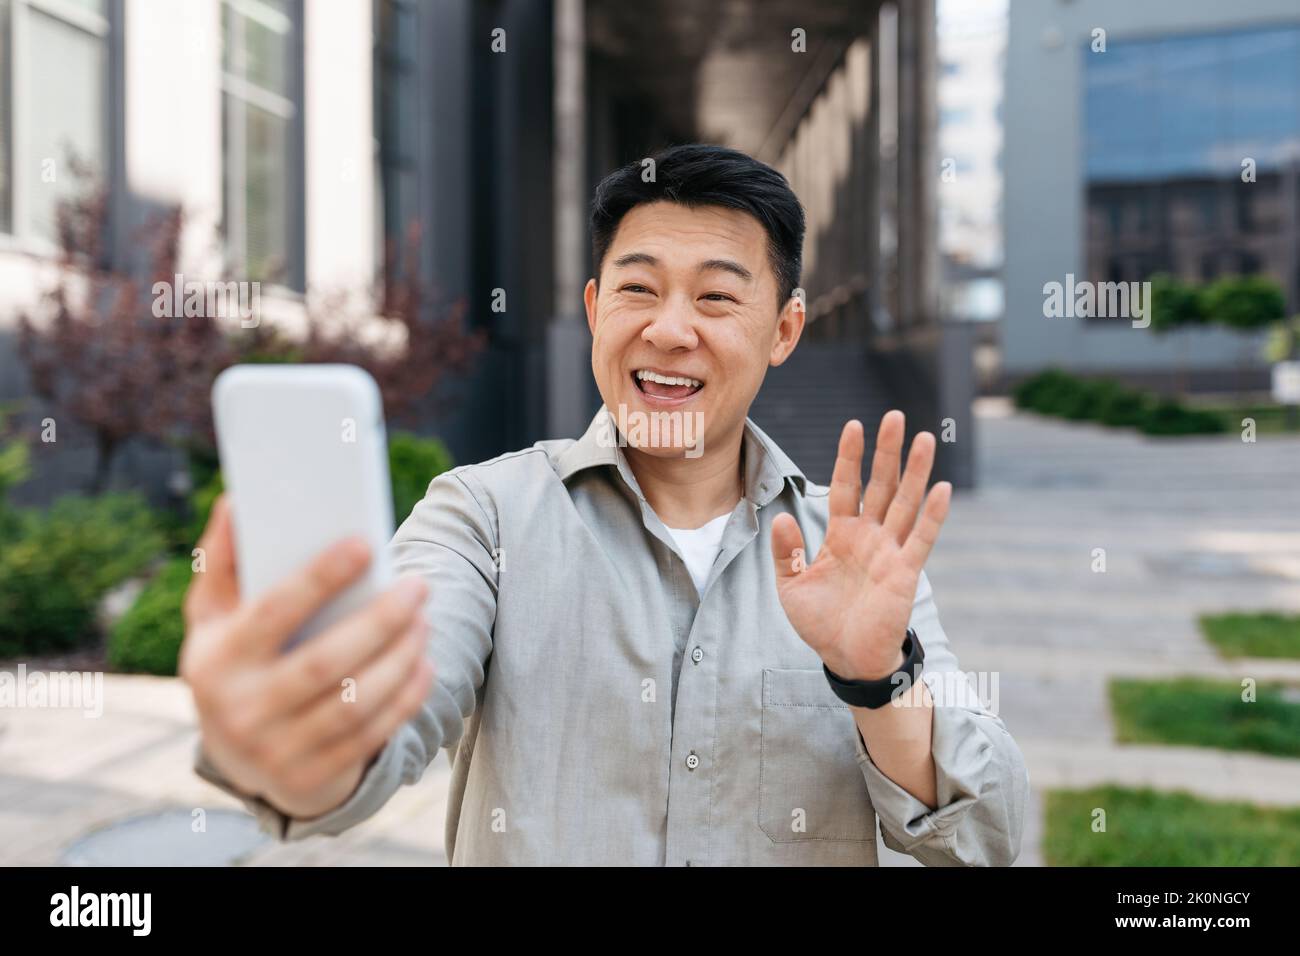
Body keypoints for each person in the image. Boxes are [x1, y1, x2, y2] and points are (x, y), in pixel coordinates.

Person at [183, 143, 1028, 866]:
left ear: (785, 329)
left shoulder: (853, 562)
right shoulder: (484, 517)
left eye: (717, 297)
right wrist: (298, 736)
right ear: (594, 309)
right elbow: (389, 712)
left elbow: (987, 834)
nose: (668, 329)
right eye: (637, 289)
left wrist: (876, 681)